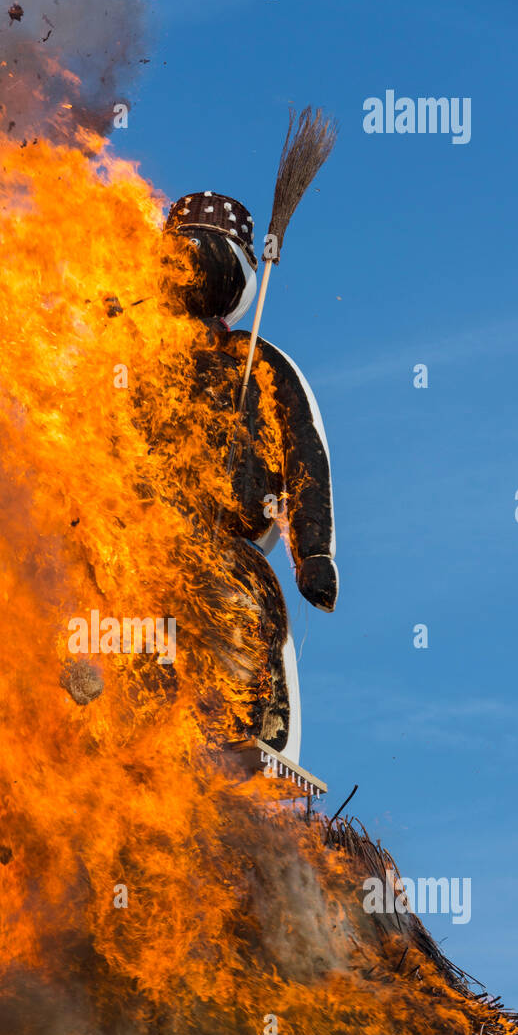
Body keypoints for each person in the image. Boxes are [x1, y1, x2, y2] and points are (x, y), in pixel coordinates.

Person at [162, 190, 338, 765]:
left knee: (236, 627)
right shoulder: (136, 362)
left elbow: (302, 450)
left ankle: (241, 736)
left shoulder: (257, 362)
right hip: (144, 547)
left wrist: (314, 552)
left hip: (226, 551)